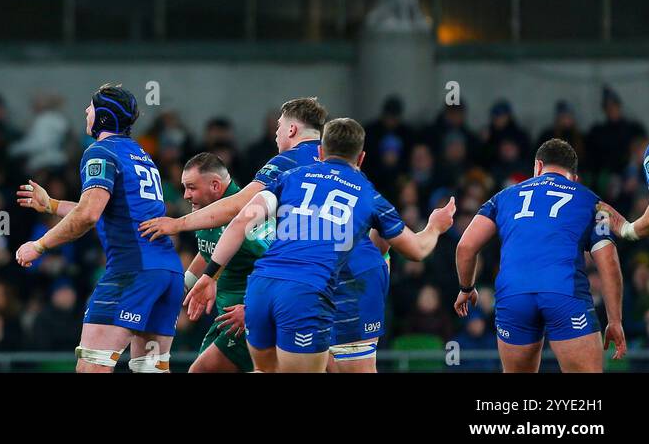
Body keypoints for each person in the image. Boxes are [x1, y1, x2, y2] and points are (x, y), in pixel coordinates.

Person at [185, 118, 455, 373]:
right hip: (319, 292)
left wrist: (209, 275)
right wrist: (435, 226)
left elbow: (242, 219)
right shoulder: (368, 194)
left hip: (262, 289)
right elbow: (416, 250)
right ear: (361, 158)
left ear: (321, 152)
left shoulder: (290, 177)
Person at [16, 84, 183, 374]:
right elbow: (106, 210)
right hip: (167, 272)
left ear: (103, 116)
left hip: (131, 272)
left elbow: (88, 215)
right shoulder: (141, 155)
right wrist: (52, 205)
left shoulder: (100, 152)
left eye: (91, 107)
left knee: (91, 368)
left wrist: (39, 245)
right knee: (150, 370)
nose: (86, 112)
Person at [455, 138, 625, 372]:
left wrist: (466, 288)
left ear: (537, 166)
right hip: (564, 294)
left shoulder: (503, 197)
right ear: (574, 178)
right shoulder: (590, 201)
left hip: (514, 295)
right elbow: (608, 262)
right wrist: (615, 320)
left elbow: (465, 247)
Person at [139, 97, 327, 242]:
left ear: (292, 130)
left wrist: (178, 223)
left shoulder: (287, 160)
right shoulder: (338, 160)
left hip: (299, 266)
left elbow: (241, 205)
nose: (277, 132)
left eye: (279, 126)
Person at [173, 151, 269, 373]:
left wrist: (252, 309)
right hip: (227, 319)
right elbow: (208, 252)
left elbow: (280, 266)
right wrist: (186, 285)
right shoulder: (210, 213)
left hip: (248, 319)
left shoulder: (248, 217)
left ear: (215, 186)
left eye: (191, 187)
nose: (186, 195)